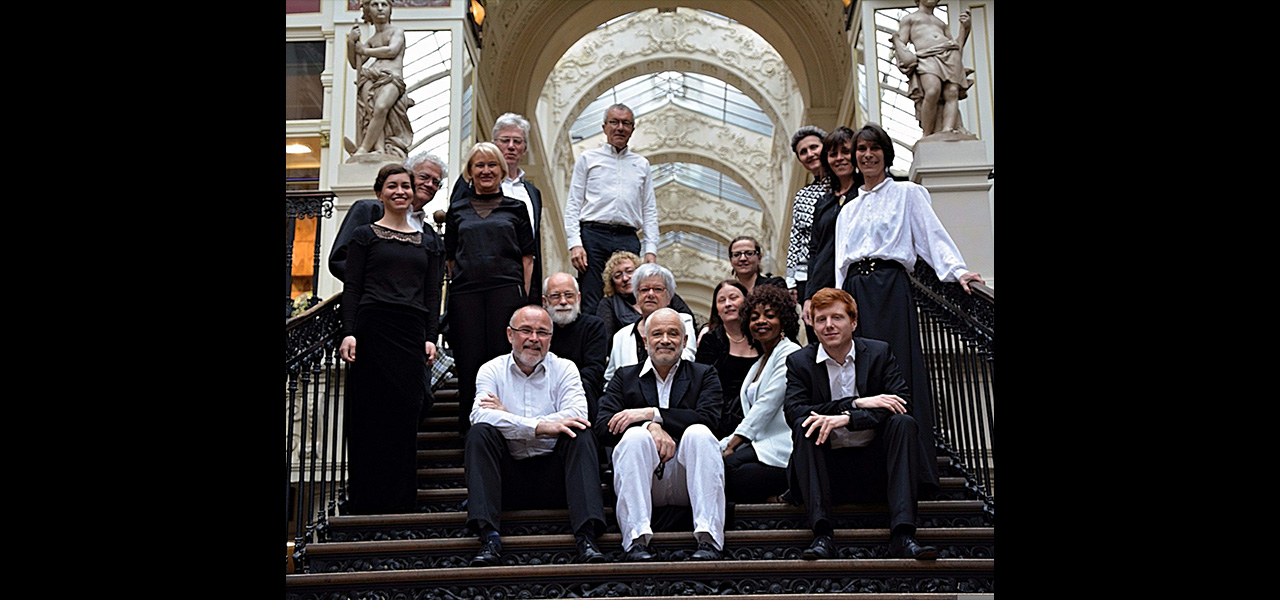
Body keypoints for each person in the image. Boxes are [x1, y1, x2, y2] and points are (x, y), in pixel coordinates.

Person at [833, 122, 983, 476]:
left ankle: (911, 463)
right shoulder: (847, 209)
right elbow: (841, 262)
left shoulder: (908, 194)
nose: (867, 155)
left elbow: (932, 236)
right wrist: (838, 306)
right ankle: (869, 465)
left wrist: (957, 271)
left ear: (885, 154)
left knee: (897, 367)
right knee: (861, 373)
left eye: (874, 148)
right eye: (861, 149)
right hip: (855, 292)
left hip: (890, 289)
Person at [783, 288, 939, 561]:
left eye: (837, 318)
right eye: (821, 320)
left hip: (876, 469)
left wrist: (849, 418)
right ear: (813, 326)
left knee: (902, 422)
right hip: (828, 472)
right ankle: (822, 535)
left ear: (853, 322)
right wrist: (856, 403)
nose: (829, 325)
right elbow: (794, 411)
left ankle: (903, 534)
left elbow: (902, 402)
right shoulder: (800, 362)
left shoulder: (879, 353)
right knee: (805, 427)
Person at [337, 163, 445, 515]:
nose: (400, 192)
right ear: (379, 193)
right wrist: (349, 332)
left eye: (406, 186)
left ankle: (401, 502)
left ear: (413, 193)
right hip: (372, 327)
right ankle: (366, 501)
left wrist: (431, 337)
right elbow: (352, 287)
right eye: (392, 186)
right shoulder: (364, 235)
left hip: (410, 330)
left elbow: (433, 294)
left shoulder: (429, 241)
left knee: (406, 410)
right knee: (369, 413)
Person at [465, 305, 608, 566]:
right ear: (510, 334)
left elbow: (577, 414)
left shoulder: (565, 369)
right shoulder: (491, 370)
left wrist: (508, 416)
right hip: (507, 480)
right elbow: (480, 415)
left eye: (542, 332)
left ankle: (587, 536)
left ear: (550, 339)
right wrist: (540, 427)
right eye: (526, 331)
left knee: (581, 433)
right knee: (479, 434)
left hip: (557, 479)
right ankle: (489, 537)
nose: (534, 338)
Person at [595, 308, 726, 562]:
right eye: (657, 334)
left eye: (673, 334)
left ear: (684, 341)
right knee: (635, 438)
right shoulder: (624, 377)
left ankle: (709, 540)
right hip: (644, 479)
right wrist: (649, 426)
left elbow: (710, 419)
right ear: (645, 340)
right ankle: (636, 542)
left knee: (699, 433)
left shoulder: (704, 374)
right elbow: (603, 427)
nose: (665, 340)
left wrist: (652, 413)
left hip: (689, 477)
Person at [445, 142, 537, 435]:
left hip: (506, 293)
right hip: (466, 295)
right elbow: (450, 258)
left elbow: (527, 257)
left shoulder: (516, 208)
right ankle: (470, 433)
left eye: (492, 165)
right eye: (479, 165)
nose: (486, 171)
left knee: (504, 362)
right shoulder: (456, 209)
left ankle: (505, 430)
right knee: (468, 363)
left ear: (502, 169)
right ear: (469, 172)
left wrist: (522, 298)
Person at [564, 104, 659, 316]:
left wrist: (651, 250)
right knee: (591, 297)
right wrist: (575, 244)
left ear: (632, 129)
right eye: (614, 122)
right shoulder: (587, 159)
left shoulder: (642, 165)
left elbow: (649, 210)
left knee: (629, 296)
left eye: (626, 123)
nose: (620, 128)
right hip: (593, 237)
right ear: (604, 127)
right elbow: (573, 204)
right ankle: (594, 338)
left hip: (627, 238)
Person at [449, 113, 545, 302]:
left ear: (525, 149)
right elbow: (455, 232)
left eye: (517, 141)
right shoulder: (471, 183)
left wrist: (527, 291)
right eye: (505, 140)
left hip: (518, 281)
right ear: (494, 144)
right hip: (474, 283)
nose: (511, 146)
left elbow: (531, 246)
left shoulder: (532, 192)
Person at [720, 285, 801, 504]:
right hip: (759, 444)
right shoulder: (760, 362)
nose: (761, 321)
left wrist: (732, 444)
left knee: (728, 470)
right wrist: (719, 445)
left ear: (783, 321)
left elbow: (767, 404)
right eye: (754, 317)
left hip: (782, 447)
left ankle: (786, 493)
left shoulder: (790, 353)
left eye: (770, 316)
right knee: (716, 464)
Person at [329, 153, 446, 281]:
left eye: (436, 182)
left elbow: (435, 279)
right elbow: (340, 259)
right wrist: (375, 287)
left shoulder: (431, 237)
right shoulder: (369, 210)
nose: (429, 184)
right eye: (424, 177)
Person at [799, 126, 862, 341]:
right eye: (833, 154)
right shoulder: (823, 202)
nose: (839, 158)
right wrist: (808, 296)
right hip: (824, 285)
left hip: (856, 281)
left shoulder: (865, 194)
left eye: (845, 152)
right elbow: (814, 251)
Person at [603, 263, 698, 385]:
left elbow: (686, 360)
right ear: (637, 297)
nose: (650, 294)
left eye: (658, 289)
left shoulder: (683, 321)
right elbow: (611, 378)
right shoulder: (621, 336)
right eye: (644, 289)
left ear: (669, 297)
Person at [892, 0, 973, 137]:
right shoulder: (910, 19)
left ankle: (948, 129)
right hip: (927, 57)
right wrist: (900, 49)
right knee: (932, 90)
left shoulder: (941, 23)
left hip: (950, 56)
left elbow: (957, 46)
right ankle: (927, 133)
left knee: (952, 92)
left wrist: (965, 29)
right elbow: (901, 43)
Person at [346, 0, 412, 158]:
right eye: (375, 5)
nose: (380, 8)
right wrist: (350, 42)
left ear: (390, 9)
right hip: (370, 77)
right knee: (371, 113)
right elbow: (355, 63)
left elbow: (392, 51)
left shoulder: (396, 32)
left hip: (392, 77)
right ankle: (379, 149)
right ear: (368, 10)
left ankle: (364, 148)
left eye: (384, 4)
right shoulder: (372, 40)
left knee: (381, 107)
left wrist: (364, 51)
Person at [783, 126, 831, 342]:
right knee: (817, 333)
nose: (810, 154)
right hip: (807, 277)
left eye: (814, 147)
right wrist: (791, 280)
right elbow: (796, 239)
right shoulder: (802, 196)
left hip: (835, 269)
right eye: (803, 152)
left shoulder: (843, 187)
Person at [693, 280, 757, 439]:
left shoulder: (761, 336)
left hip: (758, 412)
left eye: (733, 298)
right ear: (717, 310)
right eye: (722, 300)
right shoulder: (710, 340)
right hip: (720, 417)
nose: (728, 304)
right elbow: (702, 385)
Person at [543, 272, 610, 420]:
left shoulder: (594, 326)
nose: (563, 301)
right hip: (541, 389)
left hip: (581, 391)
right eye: (555, 296)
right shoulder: (538, 330)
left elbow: (594, 371)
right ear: (544, 301)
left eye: (569, 295)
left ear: (578, 298)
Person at [596, 250, 698, 336]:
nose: (625, 278)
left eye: (629, 271)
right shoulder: (609, 304)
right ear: (612, 283)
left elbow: (689, 324)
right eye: (618, 276)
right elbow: (605, 337)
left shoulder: (665, 293)